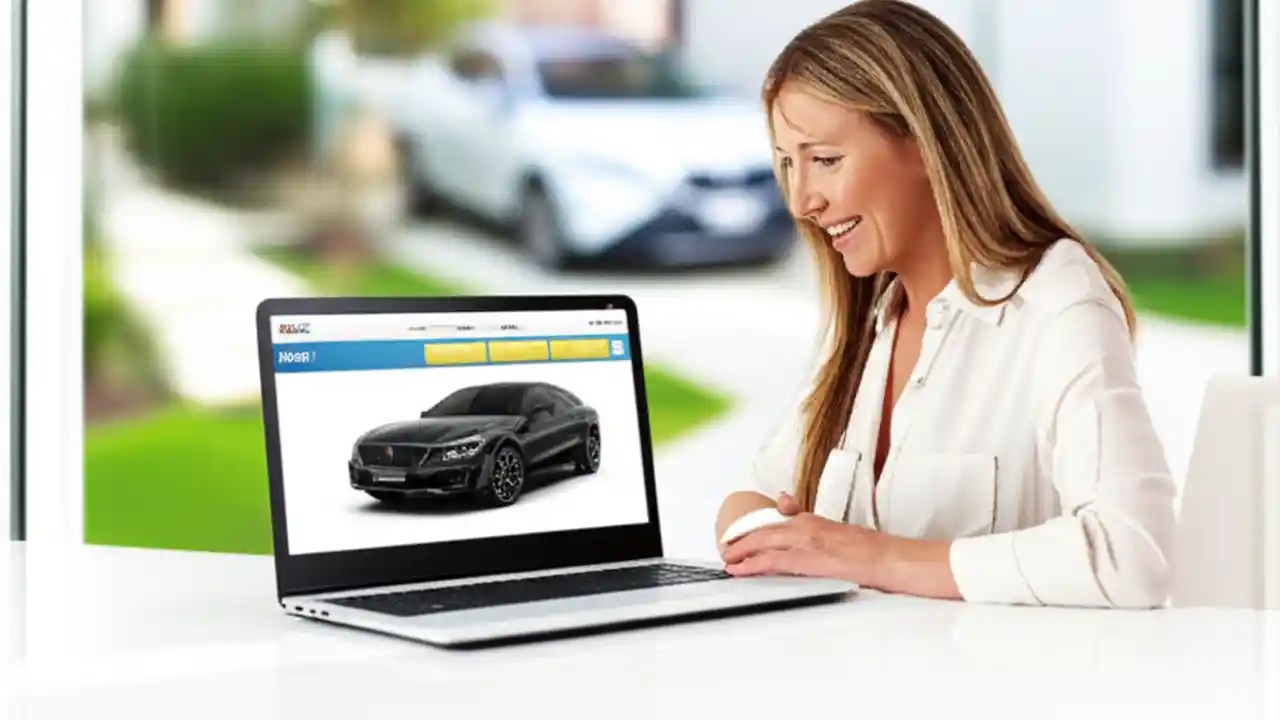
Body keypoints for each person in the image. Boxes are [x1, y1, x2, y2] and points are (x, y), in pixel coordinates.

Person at [714, 0, 1176, 608]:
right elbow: (752, 493)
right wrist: (771, 539)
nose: (802, 201)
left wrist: (866, 555)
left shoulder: (1055, 298)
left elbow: (1132, 553)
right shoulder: (876, 320)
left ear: (925, 143)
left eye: (824, 161)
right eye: (786, 165)